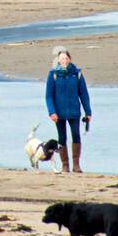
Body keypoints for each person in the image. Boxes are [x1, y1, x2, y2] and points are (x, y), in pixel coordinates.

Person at [45, 46, 92, 174]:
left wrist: (88, 112)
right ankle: (65, 165)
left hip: (74, 112)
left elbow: (84, 94)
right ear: (58, 61)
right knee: (62, 138)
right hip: (58, 113)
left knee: (76, 135)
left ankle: (76, 165)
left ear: (69, 59)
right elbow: (49, 96)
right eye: (61, 59)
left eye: (66, 58)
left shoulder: (77, 73)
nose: (64, 61)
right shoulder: (53, 74)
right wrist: (52, 112)